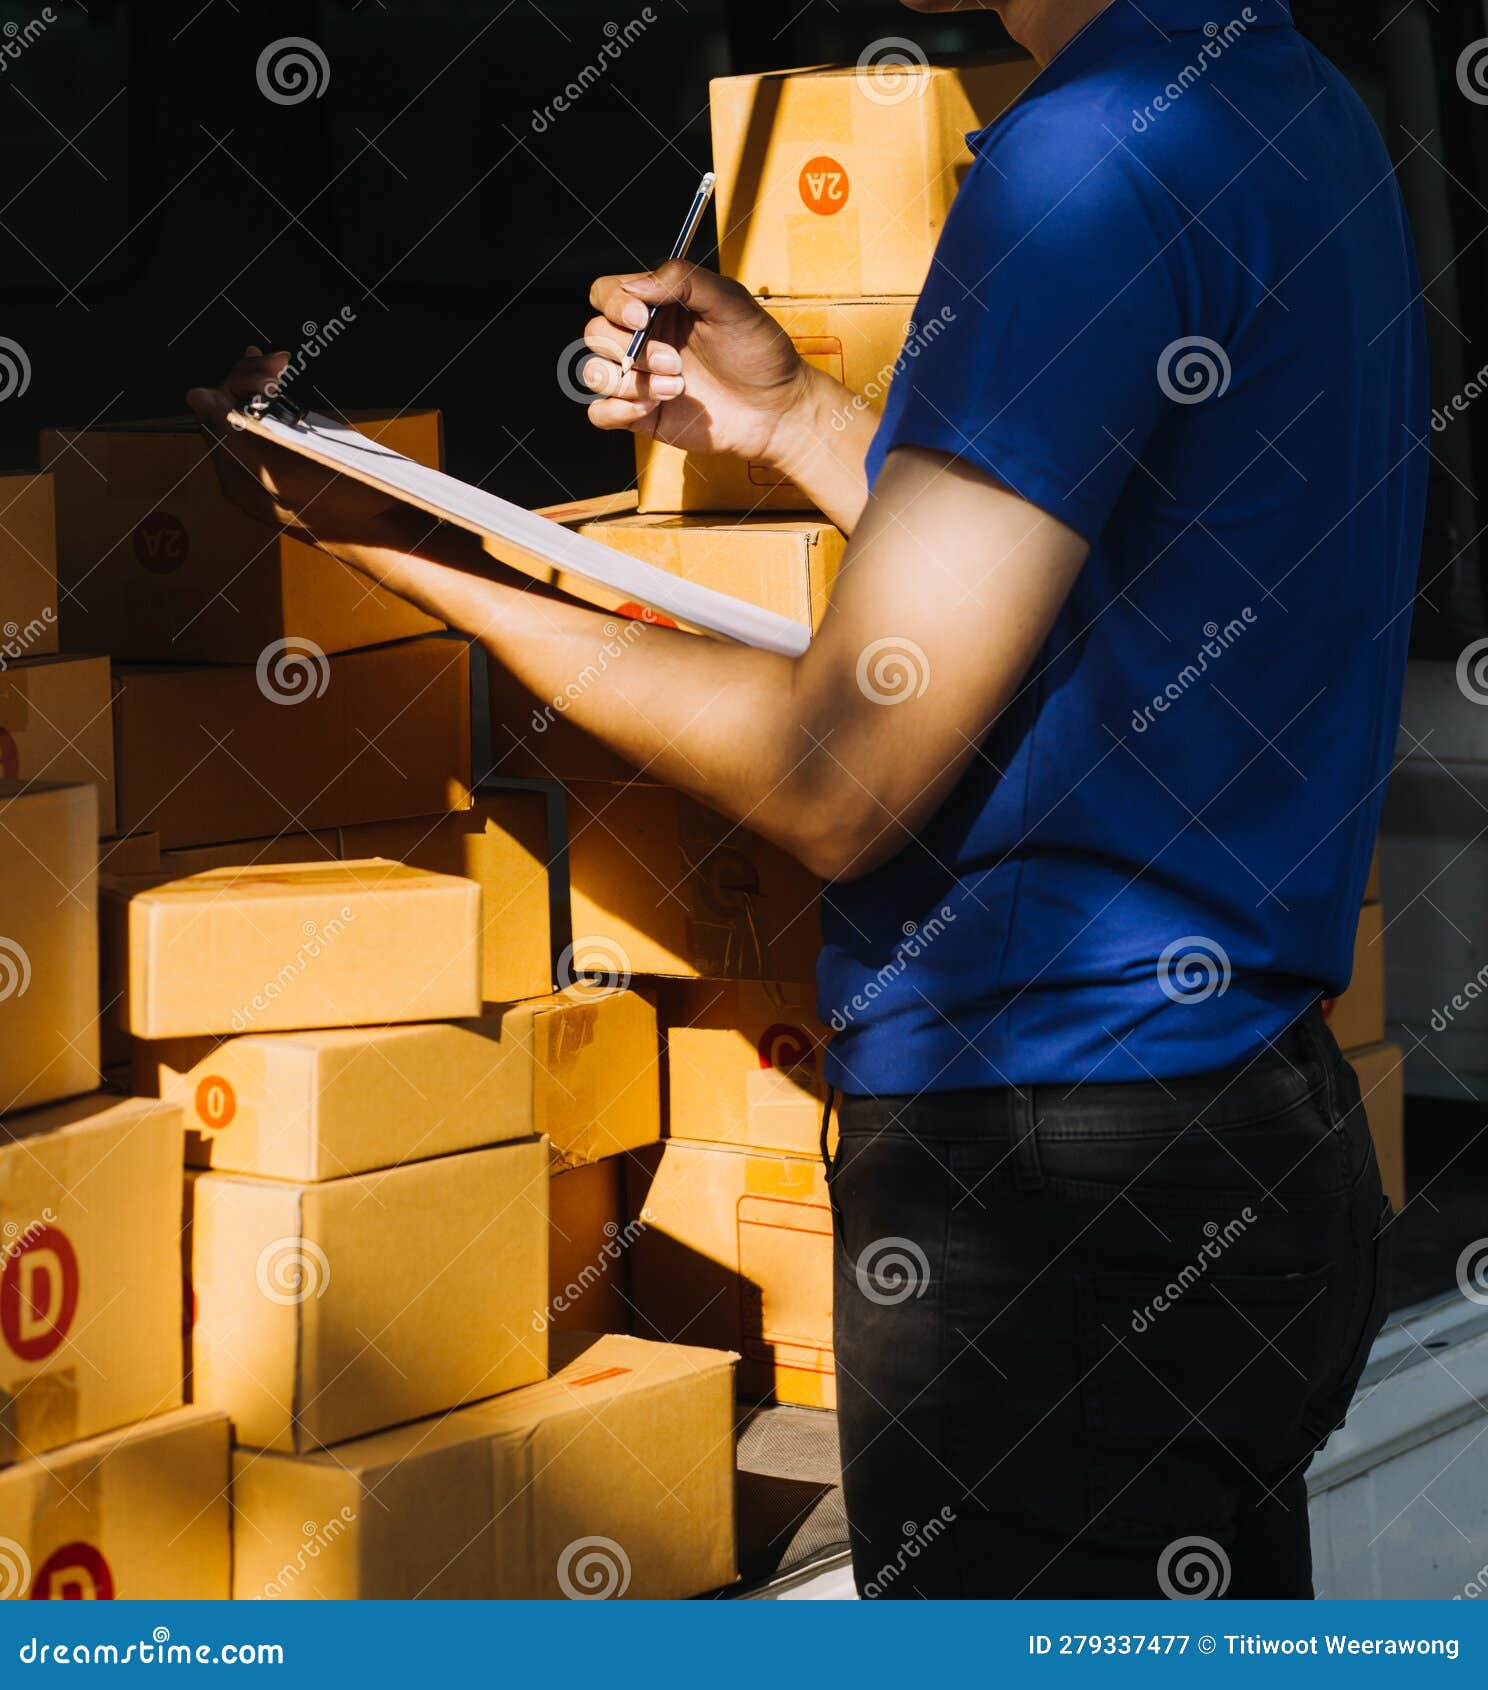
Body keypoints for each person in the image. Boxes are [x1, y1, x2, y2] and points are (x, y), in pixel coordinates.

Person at [190, 0, 1425, 1598]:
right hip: (1247, 1135)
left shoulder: (1085, 158)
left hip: (1051, 1194)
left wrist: (402, 548)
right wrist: (785, 419)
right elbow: (1115, 572)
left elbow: (835, 773)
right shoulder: (1278, 102)